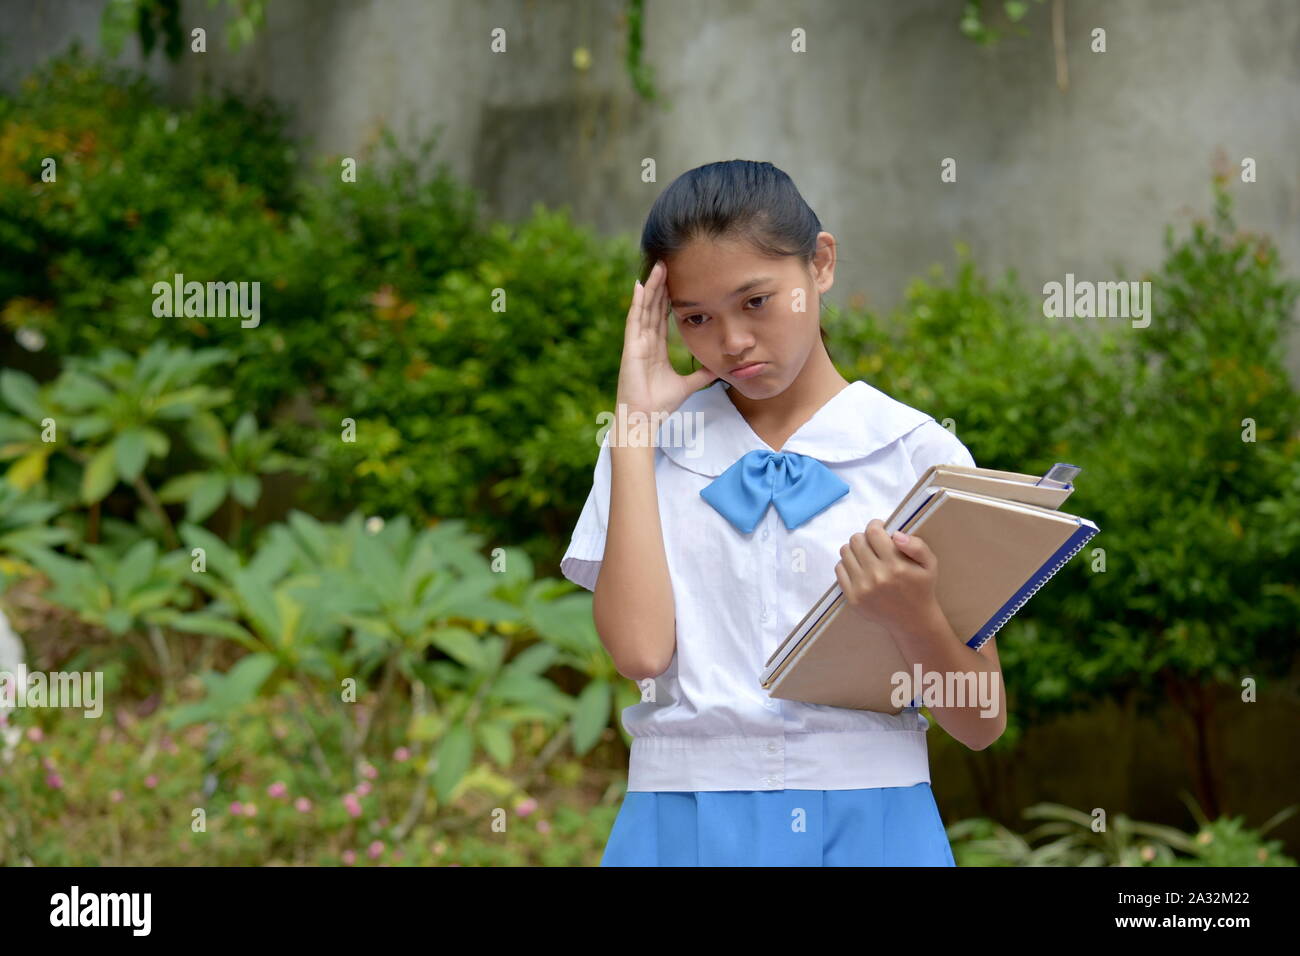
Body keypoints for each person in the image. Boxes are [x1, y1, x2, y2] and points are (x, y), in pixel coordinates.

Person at [561, 160, 1006, 866]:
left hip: (873, 823)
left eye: (756, 302)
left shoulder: (915, 452)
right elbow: (640, 653)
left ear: (820, 264)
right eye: (696, 319)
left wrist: (911, 612)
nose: (731, 341)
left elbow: (980, 721)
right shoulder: (650, 448)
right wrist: (635, 434)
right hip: (681, 824)